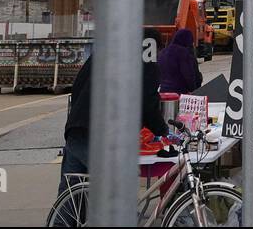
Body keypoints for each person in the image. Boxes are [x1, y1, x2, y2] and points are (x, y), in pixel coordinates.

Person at [58, 35, 170, 200]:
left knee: (69, 200)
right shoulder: (146, 62)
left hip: (76, 130)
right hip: (100, 138)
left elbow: (77, 87)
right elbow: (147, 102)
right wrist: (163, 131)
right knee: (118, 196)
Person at [157, 27, 202, 94]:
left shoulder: (163, 52)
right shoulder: (183, 53)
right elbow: (189, 74)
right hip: (180, 92)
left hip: (164, 91)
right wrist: (193, 88)